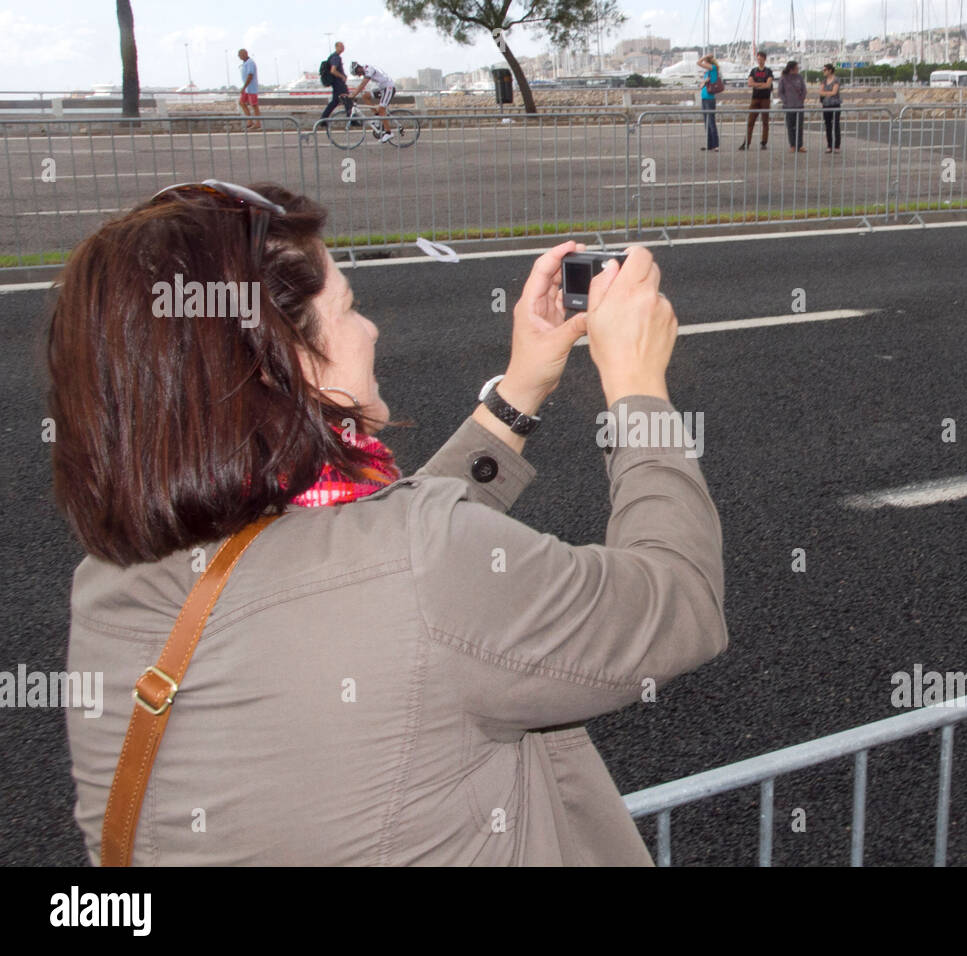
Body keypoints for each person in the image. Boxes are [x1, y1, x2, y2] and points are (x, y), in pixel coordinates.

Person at [50, 181, 728, 865]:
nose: (371, 330)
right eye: (348, 309)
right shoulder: (424, 566)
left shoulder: (106, 585)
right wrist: (636, 385)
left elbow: (369, 569)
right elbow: (677, 600)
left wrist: (520, 390)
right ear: (285, 362)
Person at [350, 61, 395, 142]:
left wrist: (353, 94)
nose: (359, 75)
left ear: (359, 67)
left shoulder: (368, 69)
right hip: (382, 89)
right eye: (357, 75)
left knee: (381, 109)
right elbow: (362, 85)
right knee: (365, 96)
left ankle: (388, 133)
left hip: (388, 88)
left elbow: (363, 84)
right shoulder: (365, 69)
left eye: (357, 73)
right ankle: (377, 116)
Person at [739, 51, 774, 150]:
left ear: (764, 59)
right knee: (750, 121)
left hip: (765, 99)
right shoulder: (753, 71)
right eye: (758, 59)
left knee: (765, 121)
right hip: (755, 98)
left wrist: (757, 84)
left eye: (761, 59)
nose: (759, 60)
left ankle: (764, 142)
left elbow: (768, 85)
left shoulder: (768, 71)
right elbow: (750, 83)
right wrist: (761, 84)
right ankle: (746, 142)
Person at [777, 60, 807, 152]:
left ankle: (800, 145)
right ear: (792, 68)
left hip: (799, 106)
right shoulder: (783, 78)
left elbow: (804, 90)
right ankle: (792, 145)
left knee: (799, 126)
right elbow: (780, 92)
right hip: (788, 106)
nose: (798, 69)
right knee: (790, 126)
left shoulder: (799, 77)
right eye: (796, 68)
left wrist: (801, 99)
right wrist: (785, 101)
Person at [320, 41, 352, 123]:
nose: (343, 48)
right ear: (336, 47)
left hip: (336, 83)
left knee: (335, 101)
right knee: (347, 99)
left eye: (343, 46)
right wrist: (342, 76)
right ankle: (352, 119)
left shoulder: (333, 57)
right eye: (341, 46)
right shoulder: (336, 57)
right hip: (338, 83)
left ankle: (323, 119)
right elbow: (333, 70)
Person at [698, 54, 720, 151]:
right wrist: (704, 81)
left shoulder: (714, 69)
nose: (704, 64)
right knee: (706, 122)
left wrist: (705, 56)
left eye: (705, 62)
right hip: (704, 97)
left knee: (711, 121)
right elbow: (701, 85)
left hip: (710, 98)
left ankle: (716, 144)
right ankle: (709, 144)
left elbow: (698, 63)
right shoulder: (707, 73)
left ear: (708, 62)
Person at [819, 63, 842, 153]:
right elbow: (821, 92)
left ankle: (837, 146)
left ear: (830, 70)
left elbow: (834, 92)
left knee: (836, 125)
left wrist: (826, 92)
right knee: (828, 125)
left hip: (835, 105)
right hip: (826, 105)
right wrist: (828, 93)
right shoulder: (824, 81)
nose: (823, 72)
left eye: (825, 70)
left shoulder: (836, 80)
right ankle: (829, 145)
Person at [236, 49, 261, 130]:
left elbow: (250, 75)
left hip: (251, 88)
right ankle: (250, 121)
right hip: (247, 89)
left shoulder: (250, 63)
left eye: (240, 54)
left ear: (245, 54)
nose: (239, 56)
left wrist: (244, 87)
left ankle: (258, 123)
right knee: (242, 102)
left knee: (254, 105)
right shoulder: (245, 63)